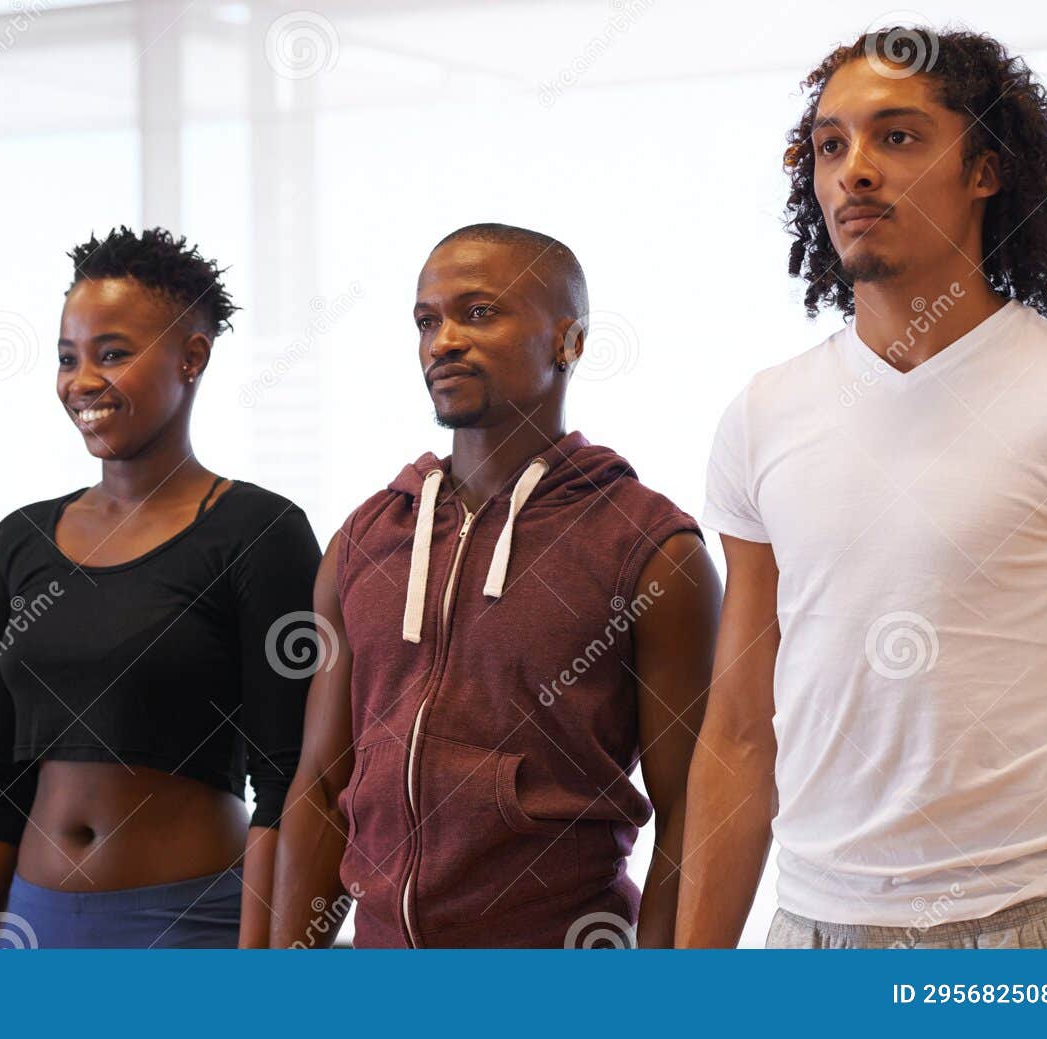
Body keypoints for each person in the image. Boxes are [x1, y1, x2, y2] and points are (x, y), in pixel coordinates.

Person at [678, 28, 1047, 949]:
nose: (854, 171)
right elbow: (735, 731)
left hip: (1034, 930)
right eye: (830, 144)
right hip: (811, 933)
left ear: (985, 172)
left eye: (897, 137)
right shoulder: (762, 416)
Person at [270, 223, 722, 948]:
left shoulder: (651, 548)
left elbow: (694, 812)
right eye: (427, 320)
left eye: (478, 313)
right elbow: (322, 788)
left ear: (568, 342)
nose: (443, 340)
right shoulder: (365, 539)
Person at [0, 227, 320, 949]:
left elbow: (290, 784)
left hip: (190, 925)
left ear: (192, 356)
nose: (83, 380)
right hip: (29, 929)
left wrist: (264, 972)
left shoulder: (259, 530)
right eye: (67, 358)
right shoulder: (18, 540)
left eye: (112, 354)